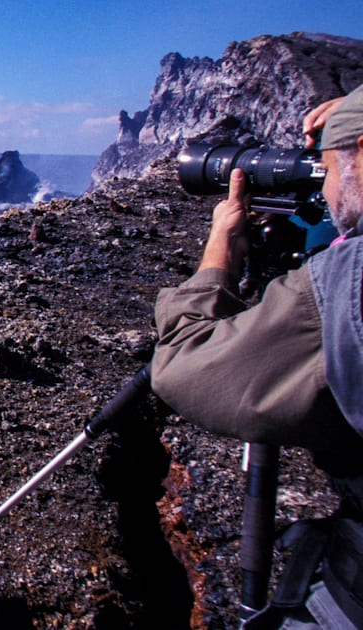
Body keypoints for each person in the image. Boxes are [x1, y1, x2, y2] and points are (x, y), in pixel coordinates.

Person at [152, 84, 363, 629]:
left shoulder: (347, 282)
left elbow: (185, 364)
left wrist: (220, 249)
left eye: (331, 164)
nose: (323, 178)